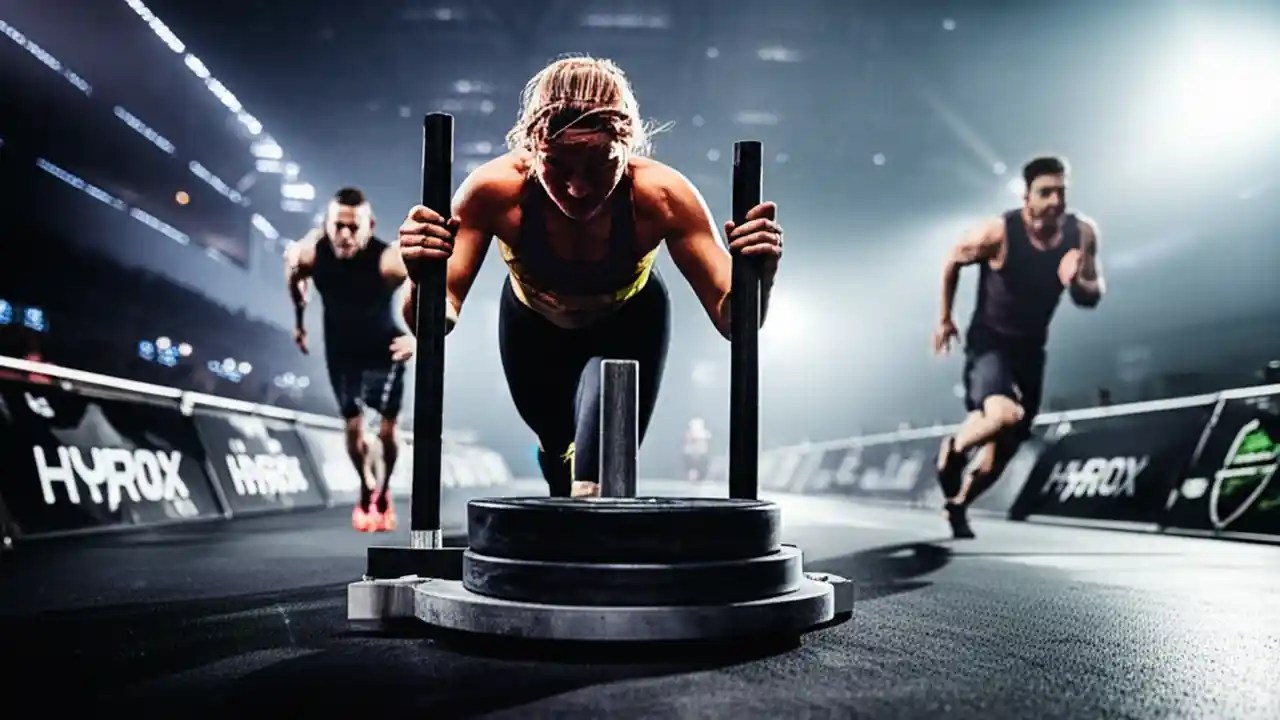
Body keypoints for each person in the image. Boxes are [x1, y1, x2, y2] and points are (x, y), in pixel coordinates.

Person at [396, 55, 784, 498]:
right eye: (558, 166)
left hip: (629, 324)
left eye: (599, 166)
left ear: (627, 148)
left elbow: (736, 323)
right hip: (532, 329)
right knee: (556, 448)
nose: (577, 188)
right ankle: (563, 475)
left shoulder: (663, 197)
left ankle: (596, 526)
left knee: (600, 470)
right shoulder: (494, 191)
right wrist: (420, 276)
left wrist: (761, 278)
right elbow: (436, 319)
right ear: (533, 146)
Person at [932, 156, 1105, 538]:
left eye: (1061, 192)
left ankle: (959, 504)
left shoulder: (1083, 234)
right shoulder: (998, 233)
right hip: (989, 342)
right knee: (1004, 416)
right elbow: (953, 259)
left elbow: (1092, 295)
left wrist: (1076, 281)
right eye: (1045, 192)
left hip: (1031, 350)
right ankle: (954, 450)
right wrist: (945, 318)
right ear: (1027, 197)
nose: (1055, 201)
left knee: (1005, 449)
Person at [285, 187, 415, 531]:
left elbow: (432, 280)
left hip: (385, 351)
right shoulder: (312, 255)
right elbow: (295, 273)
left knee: (387, 431)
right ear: (326, 225)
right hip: (341, 353)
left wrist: (419, 337)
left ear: (369, 225)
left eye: (353, 227)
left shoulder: (388, 259)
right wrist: (299, 322)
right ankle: (366, 486)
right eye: (337, 226)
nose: (345, 235)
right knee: (353, 426)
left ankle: (384, 491)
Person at [683, 417, 712, 482]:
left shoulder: (712, 468)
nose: (702, 444)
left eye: (703, 441)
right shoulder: (683, 465)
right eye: (697, 441)